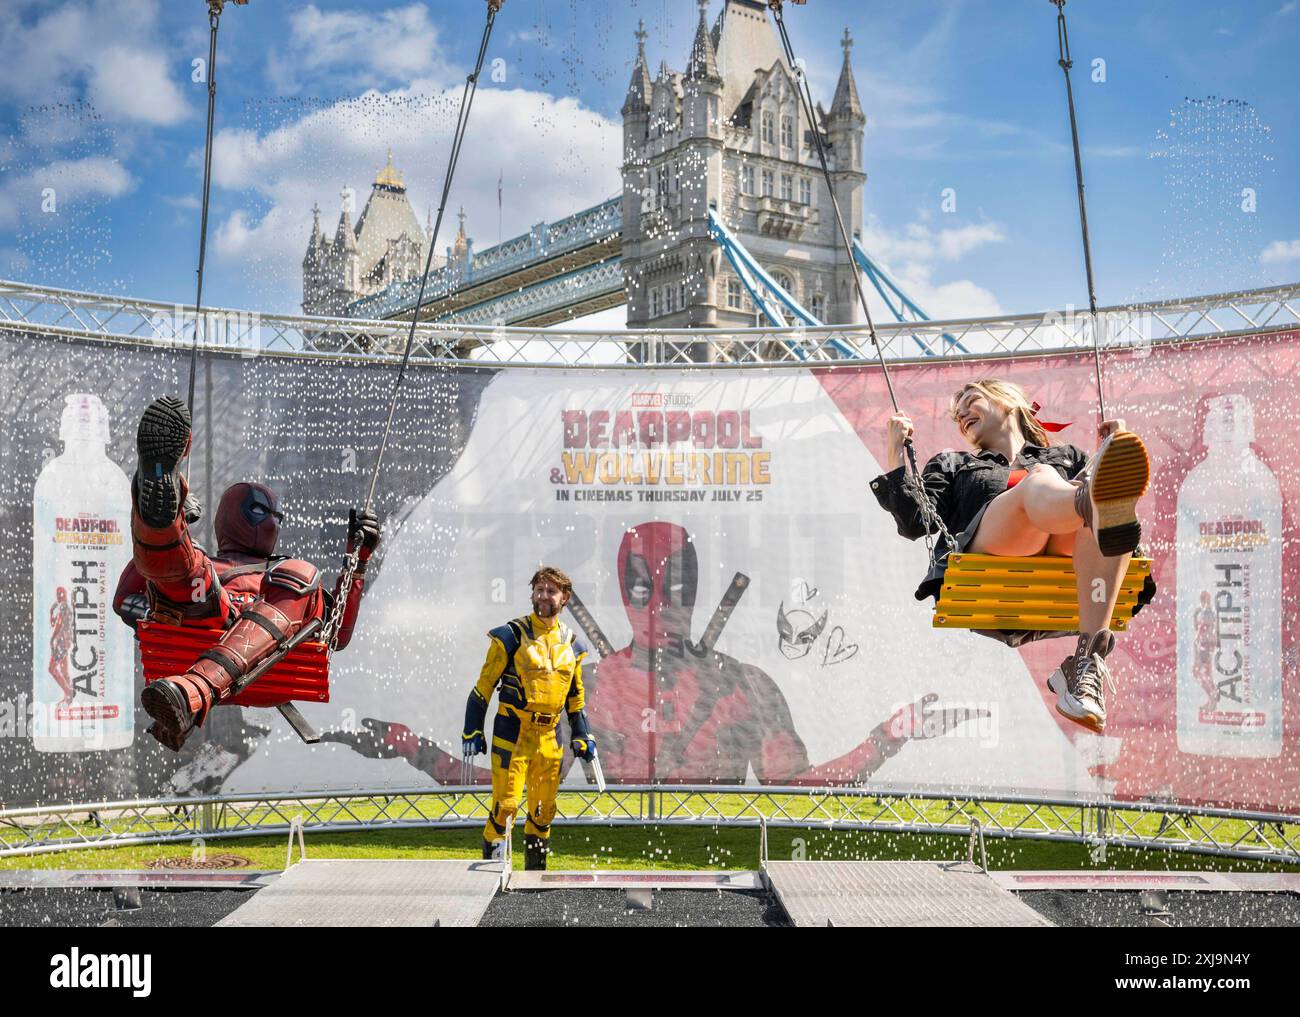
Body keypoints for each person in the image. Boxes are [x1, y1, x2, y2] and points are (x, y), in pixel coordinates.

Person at [871, 378, 1153, 734]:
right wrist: (896, 452)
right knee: (1043, 480)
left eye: (970, 401)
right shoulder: (954, 464)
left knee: (1075, 486)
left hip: (1066, 565)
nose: (961, 415)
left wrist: (1110, 452)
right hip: (990, 556)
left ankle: (1084, 667)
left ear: (1009, 402)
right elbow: (915, 522)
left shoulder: (1070, 457)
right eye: (956, 415)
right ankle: (1090, 502)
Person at [113, 396, 381, 752]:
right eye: (263, 511)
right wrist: (175, 516)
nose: (273, 520)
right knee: (188, 573)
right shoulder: (205, 565)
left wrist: (357, 561)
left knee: (298, 575)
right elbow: (126, 597)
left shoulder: (283, 573)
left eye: (272, 513)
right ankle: (161, 511)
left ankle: (192, 690)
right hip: (206, 610)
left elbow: (335, 636)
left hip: (255, 630)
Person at [461, 566, 596, 870]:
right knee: (506, 806)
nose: (543, 596)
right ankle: (491, 876)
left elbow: (576, 699)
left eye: (551, 591)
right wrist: (472, 729)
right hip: (513, 732)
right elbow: (482, 689)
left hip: (550, 739)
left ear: (564, 597)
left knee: (544, 811)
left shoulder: (573, 644)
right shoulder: (511, 636)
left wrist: (583, 733)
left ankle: (534, 879)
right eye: (539, 590)